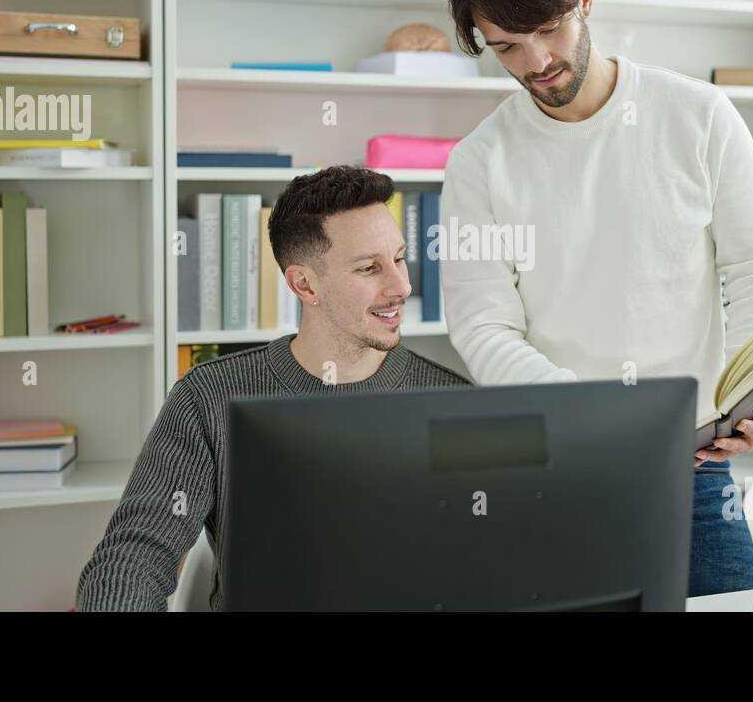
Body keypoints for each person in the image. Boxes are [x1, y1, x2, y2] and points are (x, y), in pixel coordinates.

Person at [441, 0, 753, 596]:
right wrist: (598, 417)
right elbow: (483, 327)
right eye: (507, 46)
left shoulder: (699, 116)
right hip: (556, 474)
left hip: (695, 470)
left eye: (549, 30)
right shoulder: (478, 164)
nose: (536, 62)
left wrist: (746, 388)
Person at [77, 166, 470, 611]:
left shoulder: (454, 402)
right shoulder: (209, 399)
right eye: (369, 268)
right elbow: (133, 557)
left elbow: (490, 564)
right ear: (304, 283)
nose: (402, 286)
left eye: (399, 258)